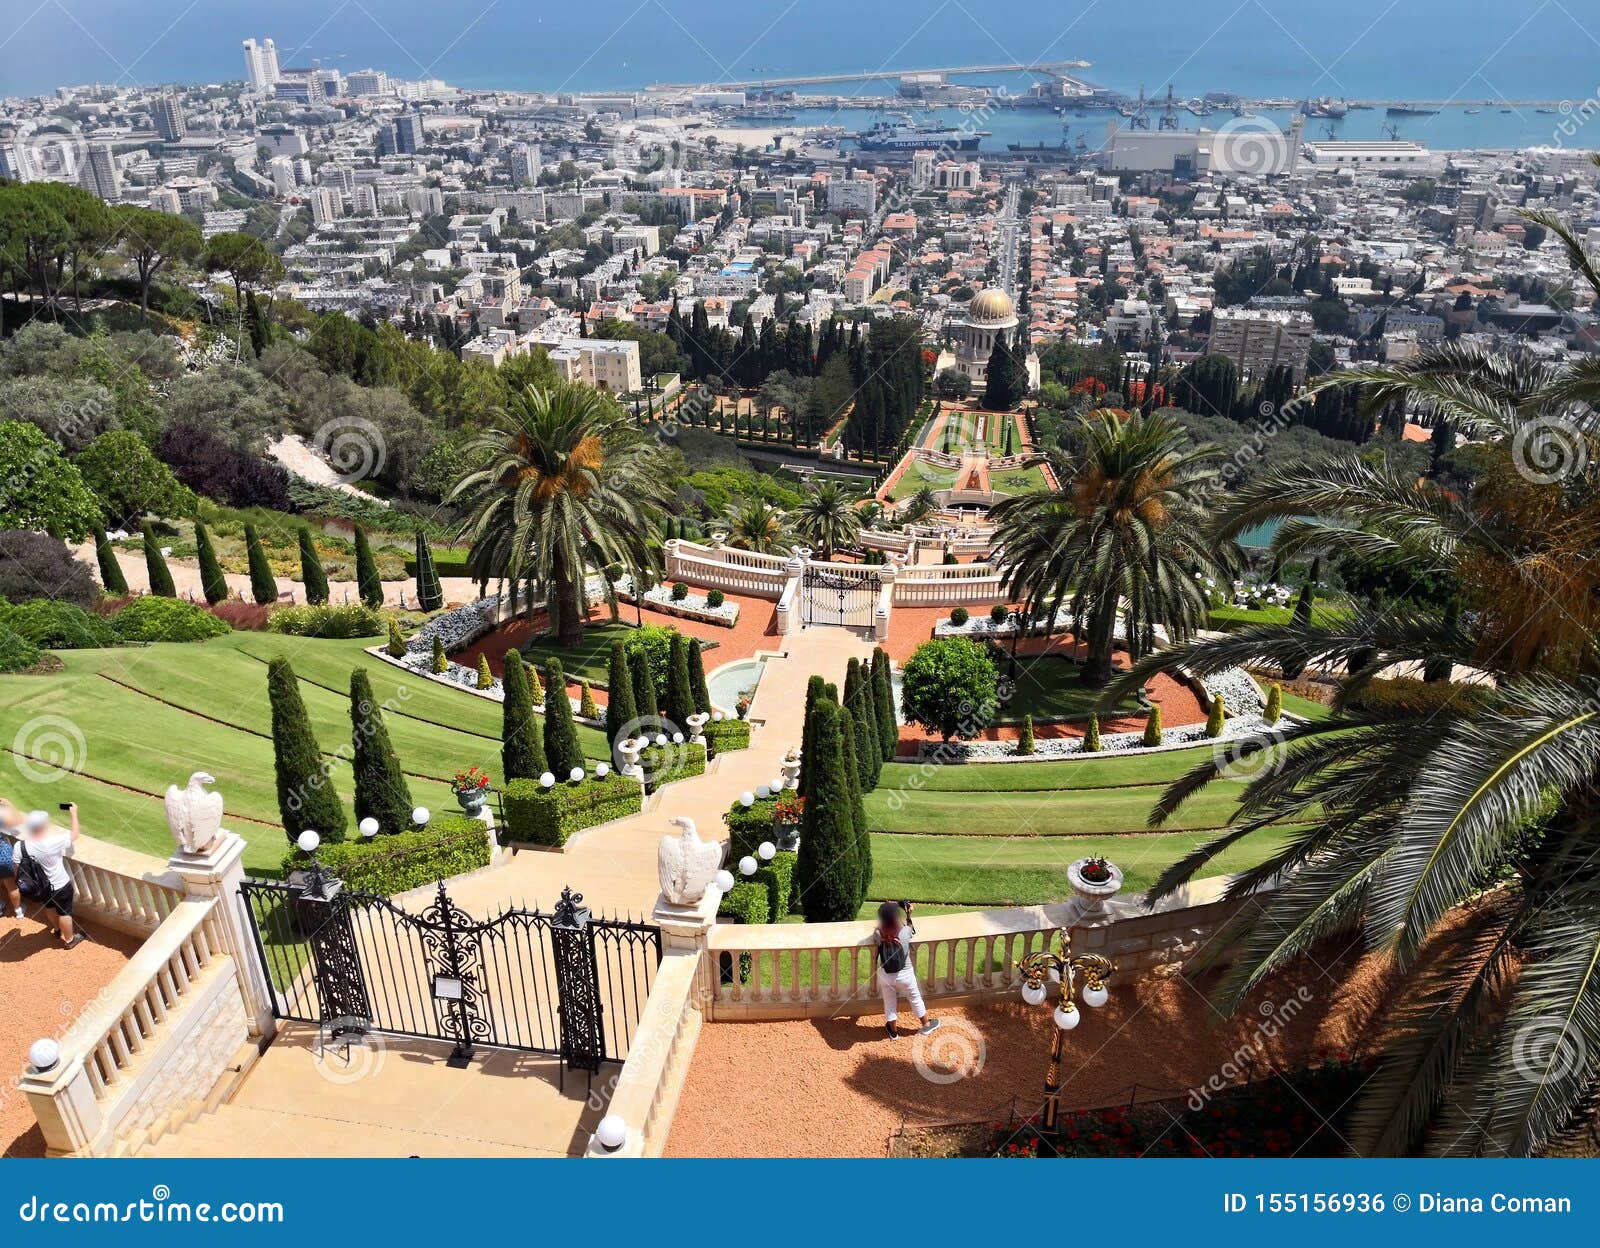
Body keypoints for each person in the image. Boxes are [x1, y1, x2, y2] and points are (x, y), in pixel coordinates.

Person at [873, 900, 939, 1040]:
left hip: (885, 975)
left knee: (889, 1002)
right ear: (896, 916)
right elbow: (912, 930)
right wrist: (908, 915)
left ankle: (893, 1032)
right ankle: (926, 1026)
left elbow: (880, 932)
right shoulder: (904, 931)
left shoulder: (878, 933)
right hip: (905, 974)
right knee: (915, 998)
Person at [26, 804, 83, 947]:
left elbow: (17, 862)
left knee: (49, 906)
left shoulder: (24, 845)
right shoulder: (52, 842)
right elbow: (75, 834)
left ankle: (57, 930)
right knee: (64, 912)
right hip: (60, 884)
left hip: (42, 886)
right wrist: (74, 813)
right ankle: (70, 940)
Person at [0, 800, 29, 917]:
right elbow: (19, 820)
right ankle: (18, 911)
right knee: (11, 885)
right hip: (1, 855)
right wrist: (9, 804)